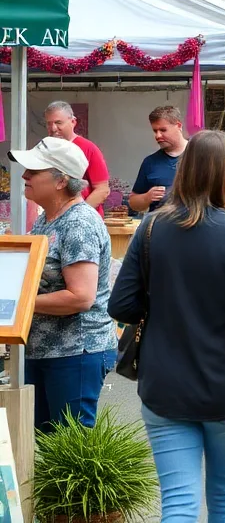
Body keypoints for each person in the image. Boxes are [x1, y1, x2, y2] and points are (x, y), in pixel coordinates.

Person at [109, 130, 225, 523]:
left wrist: (167, 302)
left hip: (165, 385)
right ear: (222, 173)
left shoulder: (152, 228)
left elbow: (120, 304)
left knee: (178, 504)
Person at [9, 137, 117, 431]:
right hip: (45, 349)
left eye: (34, 170)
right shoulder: (47, 220)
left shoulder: (79, 223)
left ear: (61, 181)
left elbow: (81, 297)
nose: (24, 176)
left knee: (70, 448)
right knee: (44, 444)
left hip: (76, 351)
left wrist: (17, 303)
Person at [43, 101, 110, 215]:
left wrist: (79, 213)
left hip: (83, 221)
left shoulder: (88, 148)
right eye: (49, 123)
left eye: (58, 122)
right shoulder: (44, 149)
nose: (53, 128)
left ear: (73, 122)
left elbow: (102, 190)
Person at [128, 105, 187, 213]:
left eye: (163, 130)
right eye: (155, 131)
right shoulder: (150, 162)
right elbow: (133, 202)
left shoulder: (201, 155)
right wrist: (147, 197)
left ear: (178, 126)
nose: (158, 135)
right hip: (161, 226)